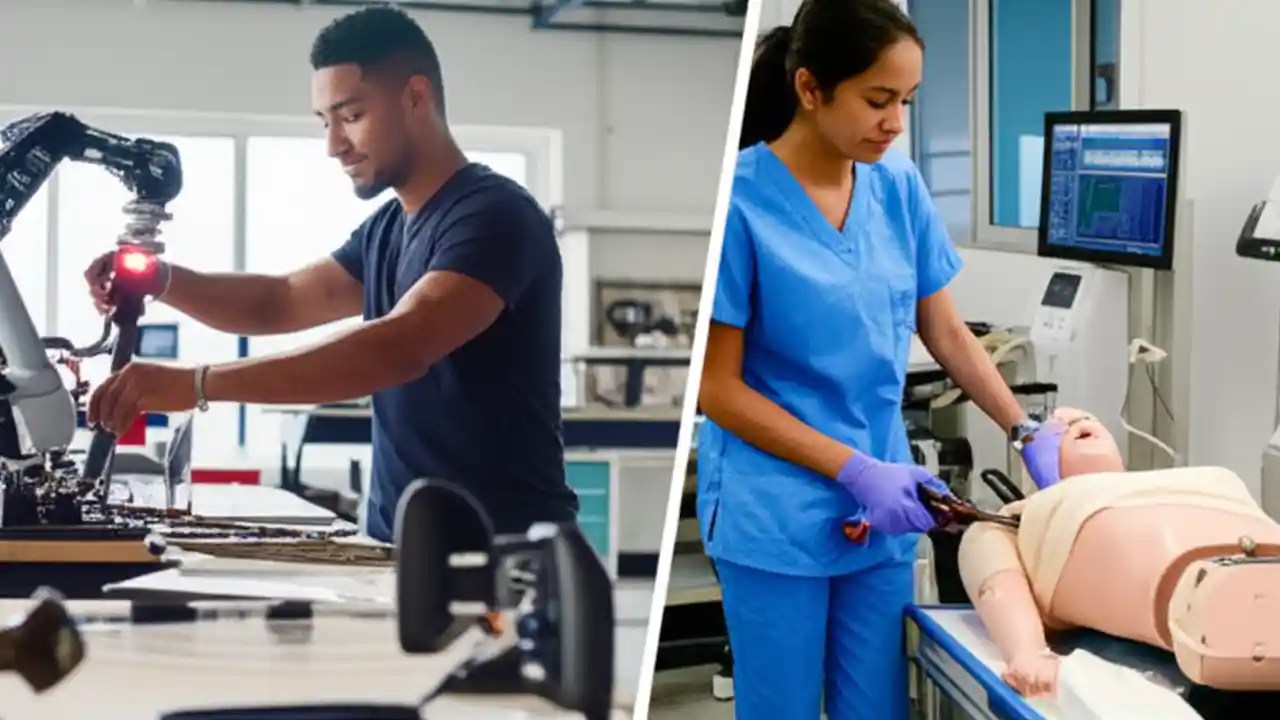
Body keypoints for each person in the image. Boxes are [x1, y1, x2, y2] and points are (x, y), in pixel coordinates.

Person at [82, 6, 578, 543]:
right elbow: (280, 301)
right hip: (401, 549)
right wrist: (160, 280)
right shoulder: (389, 228)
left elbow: (400, 346)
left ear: (416, 96)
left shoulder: (494, 215)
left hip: (506, 559)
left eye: (351, 115)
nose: (333, 144)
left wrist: (196, 384)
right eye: (325, 122)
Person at [695, 0, 1062, 717]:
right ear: (809, 89)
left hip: (883, 509)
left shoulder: (898, 188)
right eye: (878, 100)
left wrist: (1024, 430)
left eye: (908, 101)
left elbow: (948, 333)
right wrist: (854, 469)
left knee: (878, 708)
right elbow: (718, 390)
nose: (896, 122)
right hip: (776, 510)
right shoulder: (739, 203)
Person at [958, 407, 1280, 707]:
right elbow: (997, 584)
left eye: (1085, 418)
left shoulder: (1199, 479)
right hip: (1204, 604)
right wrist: (1027, 652)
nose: (1074, 423)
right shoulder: (1020, 519)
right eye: (1056, 428)